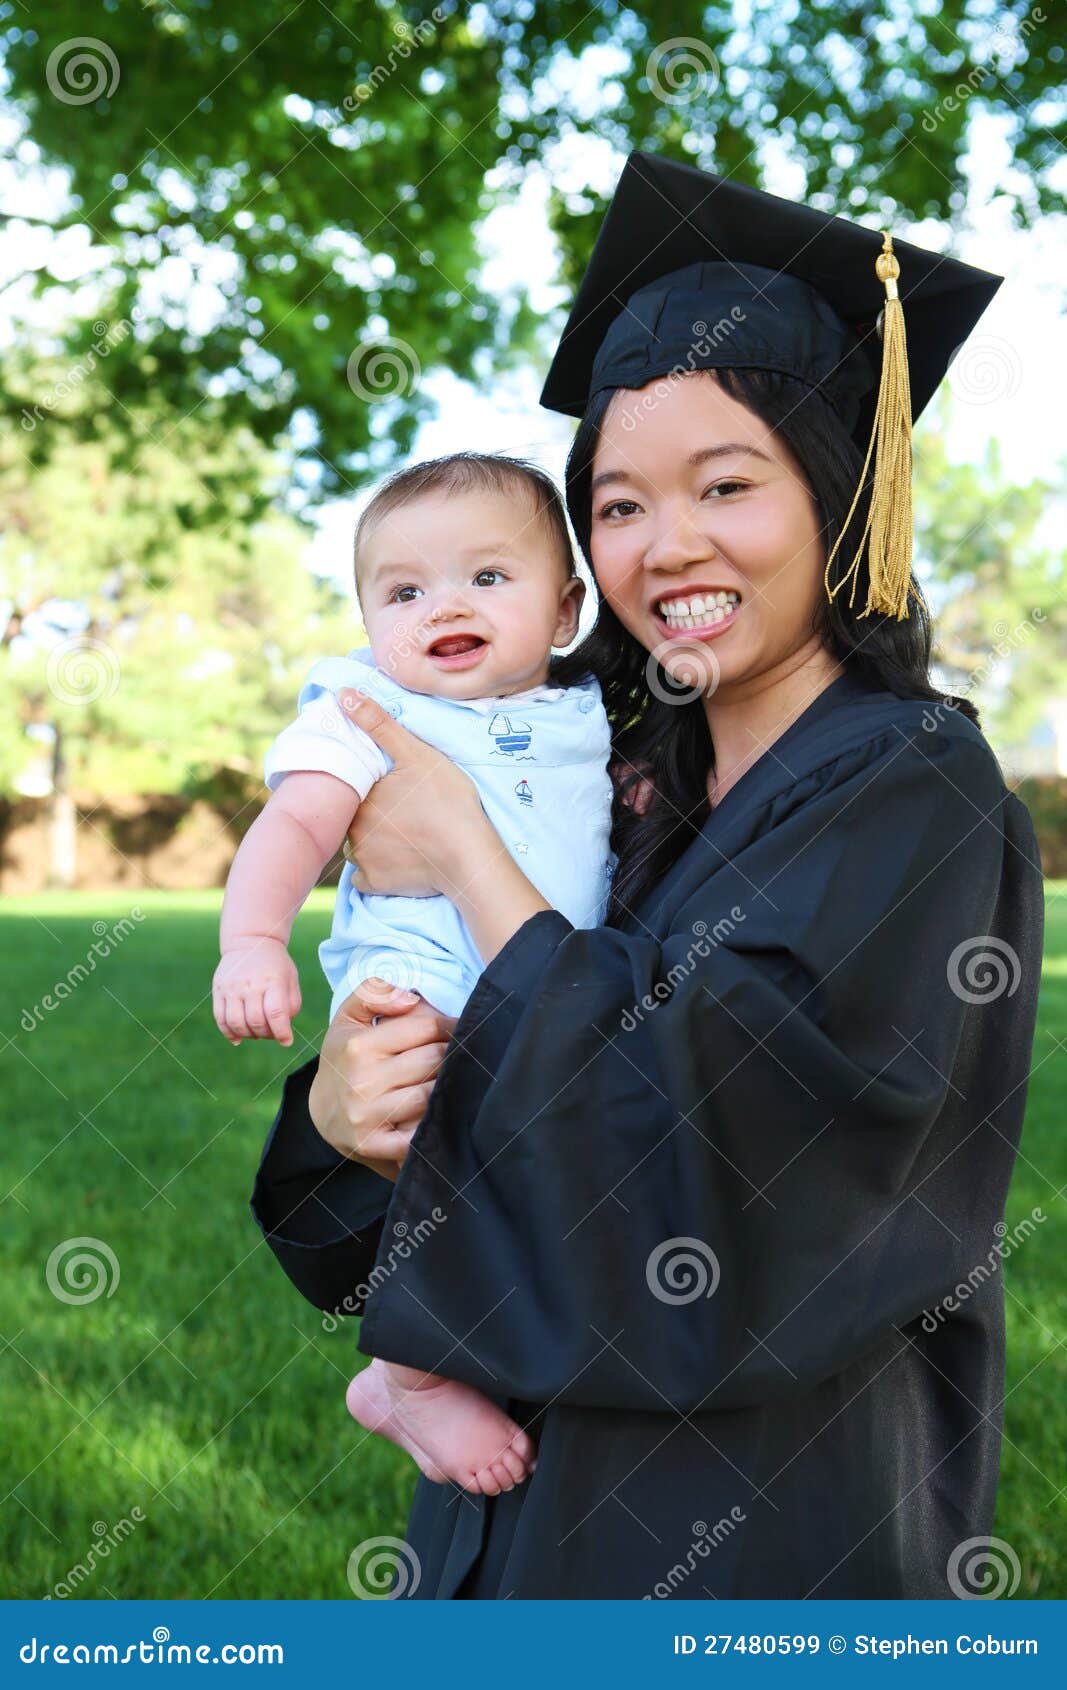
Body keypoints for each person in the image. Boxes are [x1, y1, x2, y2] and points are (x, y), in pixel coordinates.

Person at [249, 151, 1044, 1598]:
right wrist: (340, 1119)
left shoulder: (908, 783)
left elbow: (731, 1157)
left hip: (758, 1528)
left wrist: (466, 863)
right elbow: (471, 1163)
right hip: (505, 1523)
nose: (665, 544)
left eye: (725, 483)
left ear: (837, 490)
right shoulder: (617, 789)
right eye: (615, 504)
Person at [217, 452, 613, 1495]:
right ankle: (409, 1368)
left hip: (537, 979)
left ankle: (435, 1358)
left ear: (565, 608)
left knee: (531, 1153)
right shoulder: (364, 706)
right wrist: (253, 941)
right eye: (403, 589)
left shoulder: (589, 708)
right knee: (449, 1147)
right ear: (363, 617)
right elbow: (295, 823)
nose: (444, 603)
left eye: (488, 577)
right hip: (419, 984)